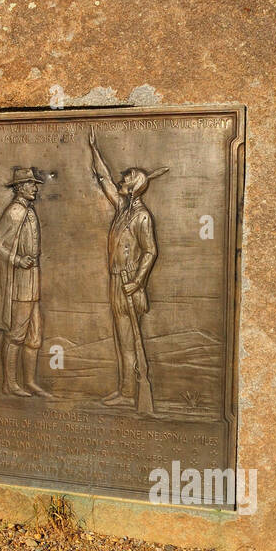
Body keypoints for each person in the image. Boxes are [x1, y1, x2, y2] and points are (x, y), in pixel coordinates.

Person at [88, 129, 168, 412]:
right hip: (116, 282)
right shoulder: (123, 208)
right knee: (122, 338)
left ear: (134, 187)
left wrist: (137, 281)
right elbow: (105, 181)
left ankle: (134, 391)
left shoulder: (142, 216)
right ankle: (126, 390)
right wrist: (95, 151)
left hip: (129, 284)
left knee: (130, 339)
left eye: (126, 179)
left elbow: (151, 251)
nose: (120, 181)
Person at [0, 167, 49, 397]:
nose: (35, 187)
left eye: (35, 184)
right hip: (20, 282)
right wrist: (18, 260)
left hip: (33, 279)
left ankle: (29, 381)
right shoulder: (15, 212)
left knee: (35, 335)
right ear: (20, 187)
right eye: (31, 184)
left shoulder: (28, 211)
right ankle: (10, 383)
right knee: (16, 334)